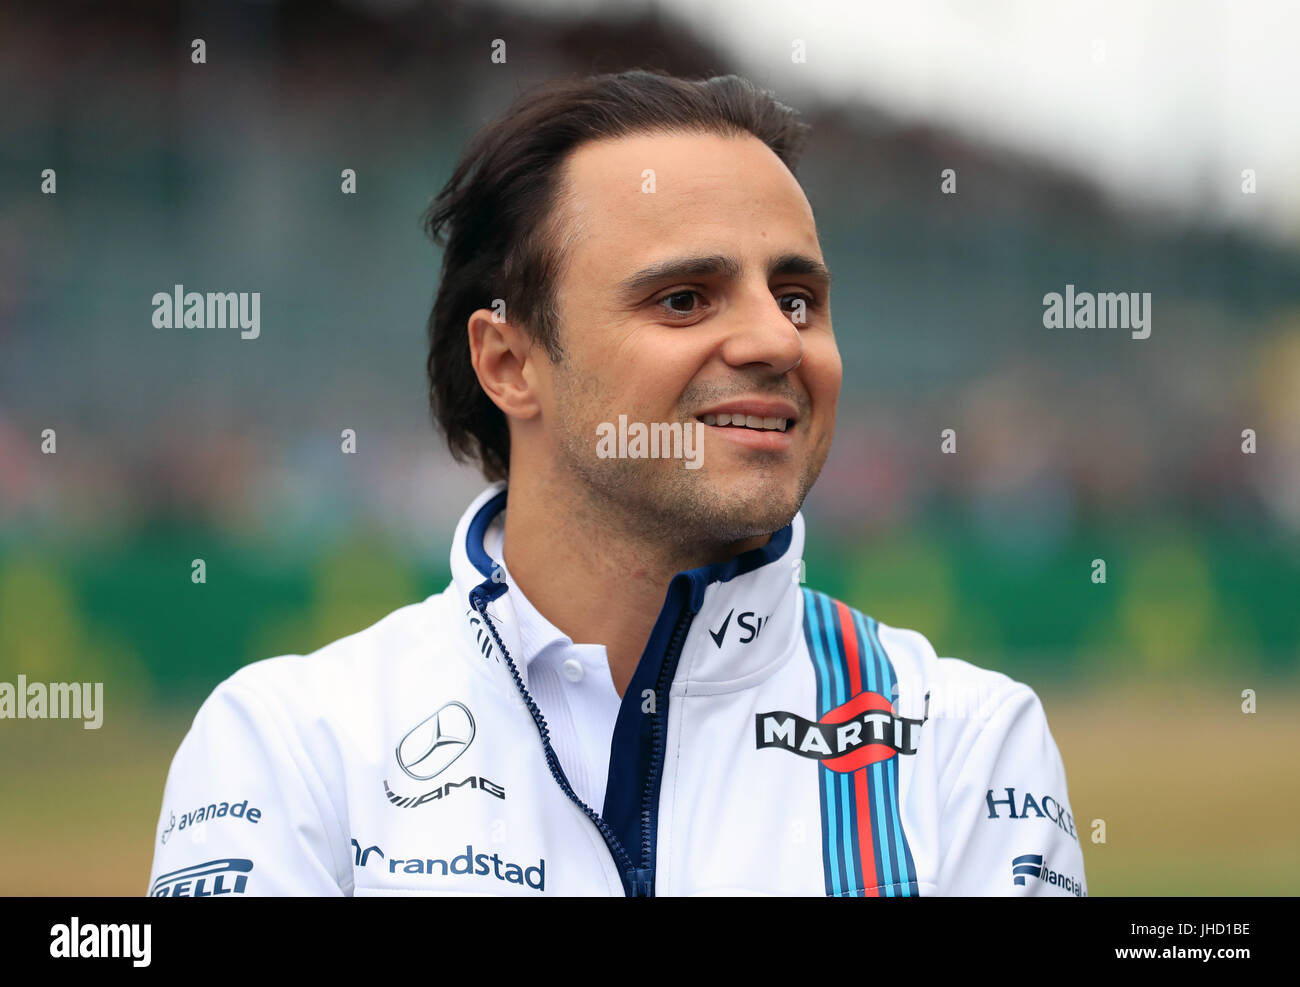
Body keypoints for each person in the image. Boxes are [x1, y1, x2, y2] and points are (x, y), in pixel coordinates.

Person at [148, 69, 1087, 897]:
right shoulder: (291, 748)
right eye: (683, 299)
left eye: (797, 297)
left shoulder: (967, 745)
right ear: (511, 362)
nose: (774, 339)